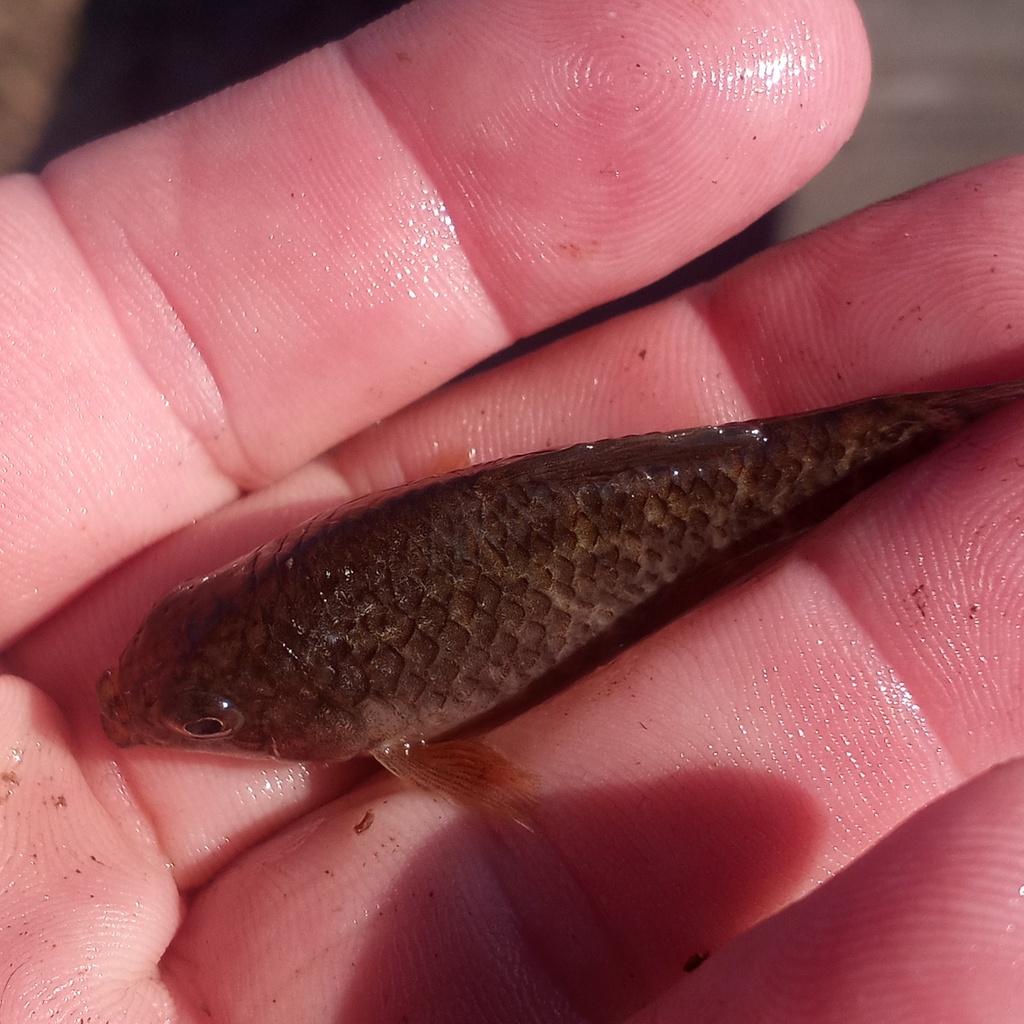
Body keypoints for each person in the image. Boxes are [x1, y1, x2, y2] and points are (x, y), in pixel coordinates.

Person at [1, 0, 1022, 1020]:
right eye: (203, 713)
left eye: (210, 721)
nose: (138, 717)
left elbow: (473, 771)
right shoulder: (323, 648)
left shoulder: (363, 711)